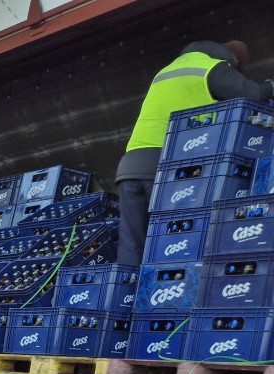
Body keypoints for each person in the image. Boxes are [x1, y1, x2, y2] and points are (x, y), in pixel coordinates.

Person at [116, 41, 273, 265]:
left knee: (132, 246)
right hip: (166, 165)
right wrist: (271, 87)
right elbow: (253, 94)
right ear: (232, 59)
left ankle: (127, 297)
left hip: (130, 166)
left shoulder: (166, 70)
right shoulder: (212, 68)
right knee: (176, 239)